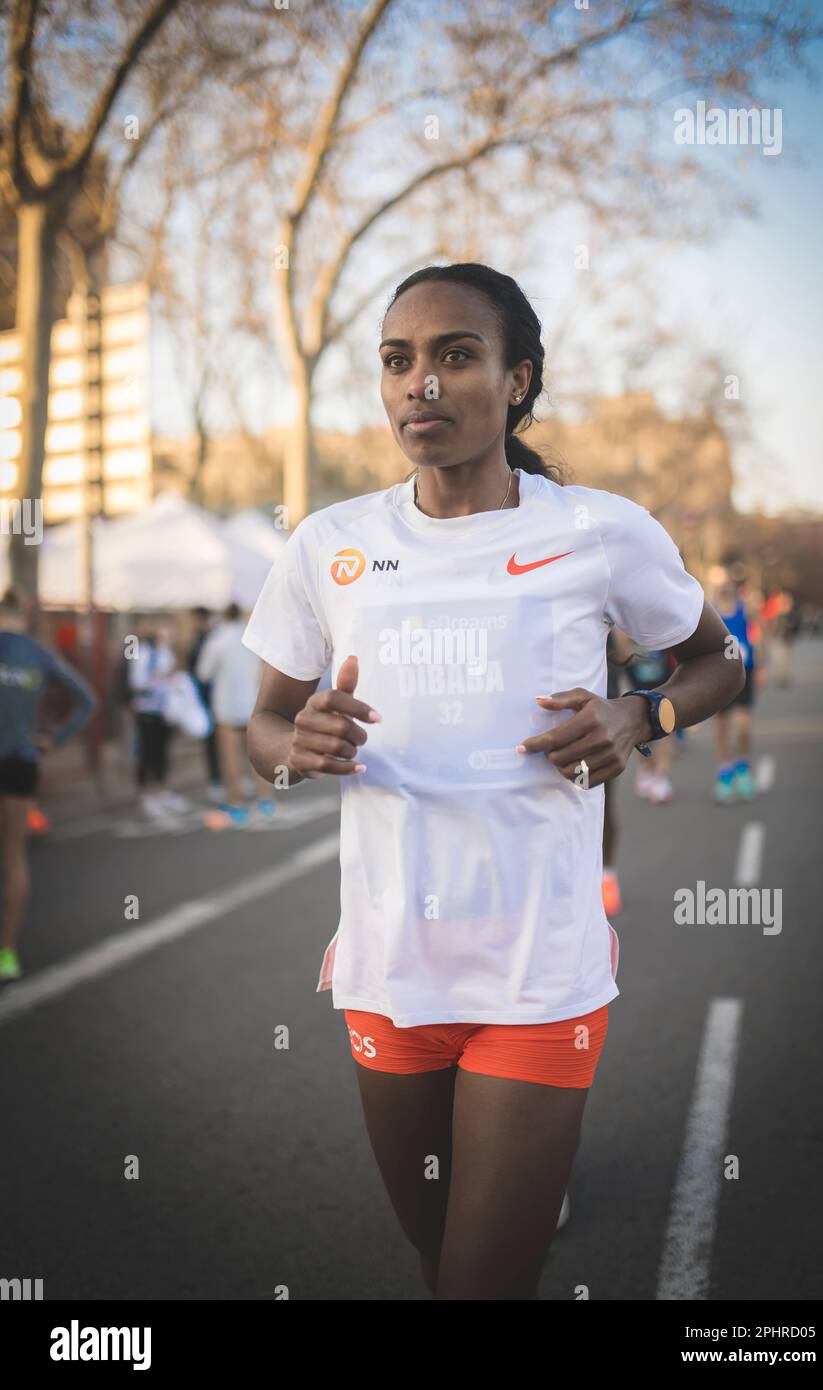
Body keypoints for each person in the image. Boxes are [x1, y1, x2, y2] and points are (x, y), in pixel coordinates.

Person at [241, 262, 743, 1301]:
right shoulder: (328, 545)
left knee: (479, 1285)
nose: (419, 383)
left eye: (453, 355)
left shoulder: (598, 530)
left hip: (536, 974)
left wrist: (639, 714)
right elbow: (261, 725)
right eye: (397, 360)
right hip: (389, 972)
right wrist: (299, 747)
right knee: (436, 1259)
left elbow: (719, 659)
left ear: (517, 380)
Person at [0, 587, 96, 981]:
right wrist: (53, 739)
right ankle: (6, 953)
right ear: (26, 615)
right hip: (21, 763)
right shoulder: (39, 655)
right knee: (14, 856)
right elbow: (87, 701)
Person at [194, 602, 275, 825]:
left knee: (230, 758)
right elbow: (264, 668)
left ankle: (237, 804)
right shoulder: (253, 639)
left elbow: (203, 673)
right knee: (256, 757)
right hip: (252, 704)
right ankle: (266, 800)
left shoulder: (216, 640)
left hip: (226, 707)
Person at [711, 569, 764, 803]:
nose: (724, 586)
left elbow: (759, 635)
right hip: (720, 675)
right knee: (722, 728)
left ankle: (743, 769)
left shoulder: (745, 607)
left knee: (742, 726)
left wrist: (762, 664)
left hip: (745, 672)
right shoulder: (709, 610)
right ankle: (724, 775)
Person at [128, 620, 190, 818]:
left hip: (164, 710)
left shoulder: (165, 652)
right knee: (148, 753)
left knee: (162, 752)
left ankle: (162, 792)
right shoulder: (144, 652)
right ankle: (146, 795)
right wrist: (159, 677)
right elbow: (137, 682)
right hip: (148, 711)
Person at [601, 626, 633, 916]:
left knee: (604, 805)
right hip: (561, 721)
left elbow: (626, 654)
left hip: (604, 725)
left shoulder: (606, 618)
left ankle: (607, 876)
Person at [626, 646, 678, 804]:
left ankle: (661, 776)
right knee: (640, 727)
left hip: (664, 681)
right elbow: (622, 648)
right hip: (637, 680)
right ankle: (646, 768)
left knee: (665, 728)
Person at [187, 607, 224, 803]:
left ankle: (224, 779)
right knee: (212, 741)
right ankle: (216, 780)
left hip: (217, 697)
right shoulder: (199, 641)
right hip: (205, 699)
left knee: (224, 740)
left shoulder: (212, 639)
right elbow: (199, 672)